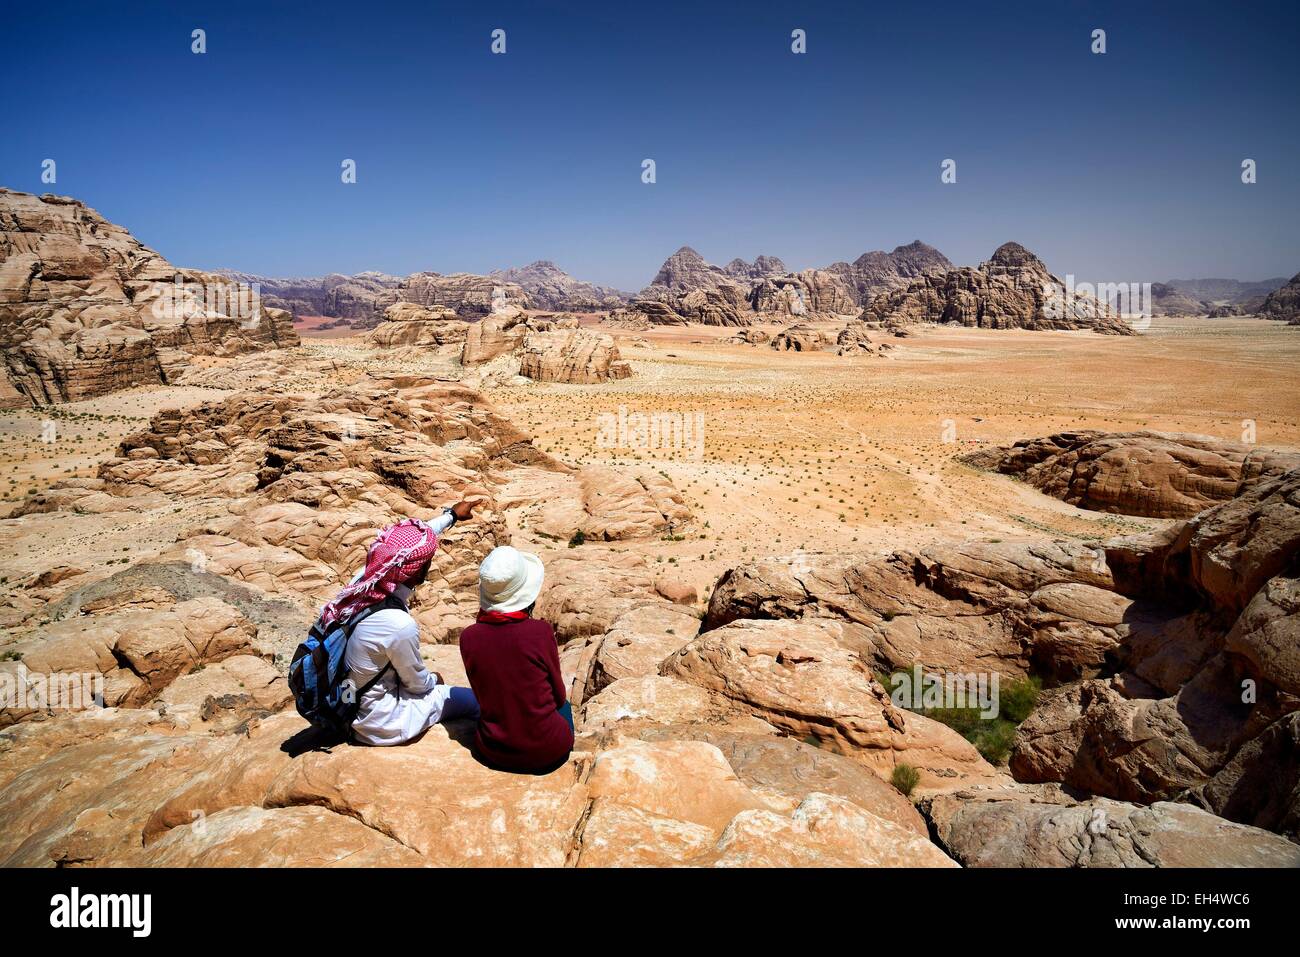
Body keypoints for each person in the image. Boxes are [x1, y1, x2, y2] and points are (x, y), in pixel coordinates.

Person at [330, 501, 482, 746]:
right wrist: (435, 679)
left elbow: (405, 547)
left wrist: (451, 516)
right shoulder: (397, 623)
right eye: (428, 560)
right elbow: (417, 684)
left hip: (346, 705)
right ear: (419, 570)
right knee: (472, 701)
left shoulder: (364, 581)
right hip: (379, 722)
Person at [458, 546, 574, 772]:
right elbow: (558, 697)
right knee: (567, 707)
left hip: (493, 751)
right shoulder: (540, 632)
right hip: (549, 751)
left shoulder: (468, 637)